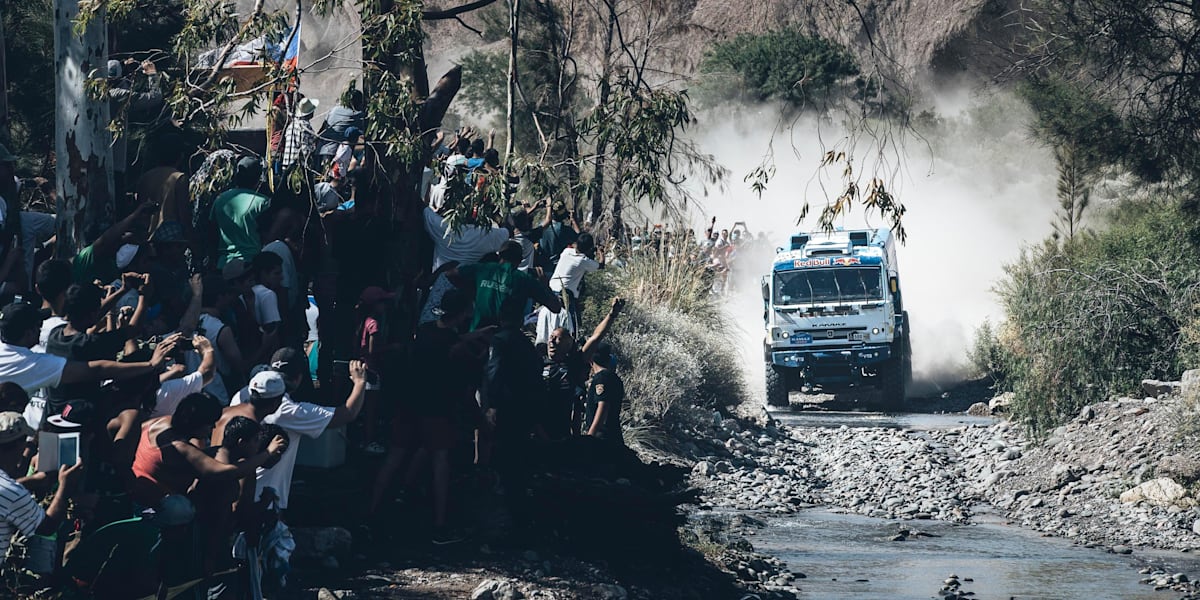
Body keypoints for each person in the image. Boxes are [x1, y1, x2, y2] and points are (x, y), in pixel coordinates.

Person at [228, 362, 368, 509]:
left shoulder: (238, 399)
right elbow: (347, 414)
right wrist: (360, 382)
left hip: (231, 497)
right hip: (259, 503)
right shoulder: (288, 410)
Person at [130, 392, 285, 507]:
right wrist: (267, 453)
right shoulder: (180, 448)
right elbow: (226, 473)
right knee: (225, 489)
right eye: (210, 424)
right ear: (197, 423)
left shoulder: (159, 422)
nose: (213, 427)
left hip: (135, 488)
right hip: (153, 502)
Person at [0, 301, 177, 396]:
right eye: (38, 325)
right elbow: (94, 370)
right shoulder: (33, 363)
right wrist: (150, 365)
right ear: (29, 332)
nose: (41, 328)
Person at [0, 412, 84, 564]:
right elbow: (46, 527)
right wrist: (65, 486)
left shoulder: (9, 490)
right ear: (19, 445)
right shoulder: (11, 492)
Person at [540, 297, 624, 439]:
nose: (552, 341)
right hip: (538, 432)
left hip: (562, 434)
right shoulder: (538, 363)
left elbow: (596, 337)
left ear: (568, 344)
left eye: (558, 338)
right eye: (551, 337)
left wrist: (612, 314)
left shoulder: (574, 364)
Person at [454, 240, 562, 330]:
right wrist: (545, 285)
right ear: (520, 260)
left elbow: (451, 274)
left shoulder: (484, 268)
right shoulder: (525, 280)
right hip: (504, 338)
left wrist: (473, 293)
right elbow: (556, 307)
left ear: (499, 255)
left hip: (476, 334)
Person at [538, 233, 604, 343]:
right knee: (572, 326)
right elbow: (601, 265)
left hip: (551, 289)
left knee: (549, 322)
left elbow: (574, 247)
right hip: (565, 295)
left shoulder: (566, 252)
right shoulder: (583, 260)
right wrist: (601, 252)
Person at [355, 286, 394, 454]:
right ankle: (369, 442)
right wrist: (393, 347)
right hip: (371, 370)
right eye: (382, 302)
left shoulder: (361, 321)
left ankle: (361, 440)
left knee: (361, 409)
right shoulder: (374, 324)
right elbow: (373, 351)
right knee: (371, 410)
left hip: (359, 368)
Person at [210, 157, 269, 268]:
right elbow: (267, 237)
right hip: (251, 265)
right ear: (258, 178)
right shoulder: (263, 202)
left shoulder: (220, 199)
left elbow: (212, 233)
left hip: (223, 264)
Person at [583, 342, 625, 443]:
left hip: (602, 439)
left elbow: (603, 407)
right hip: (613, 436)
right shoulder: (614, 378)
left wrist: (590, 437)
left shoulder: (601, 378)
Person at [282, 98, 319, 171]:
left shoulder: (291, 125)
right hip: (298, 164)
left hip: (287, 162)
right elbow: (305, 146)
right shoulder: (305, 126)